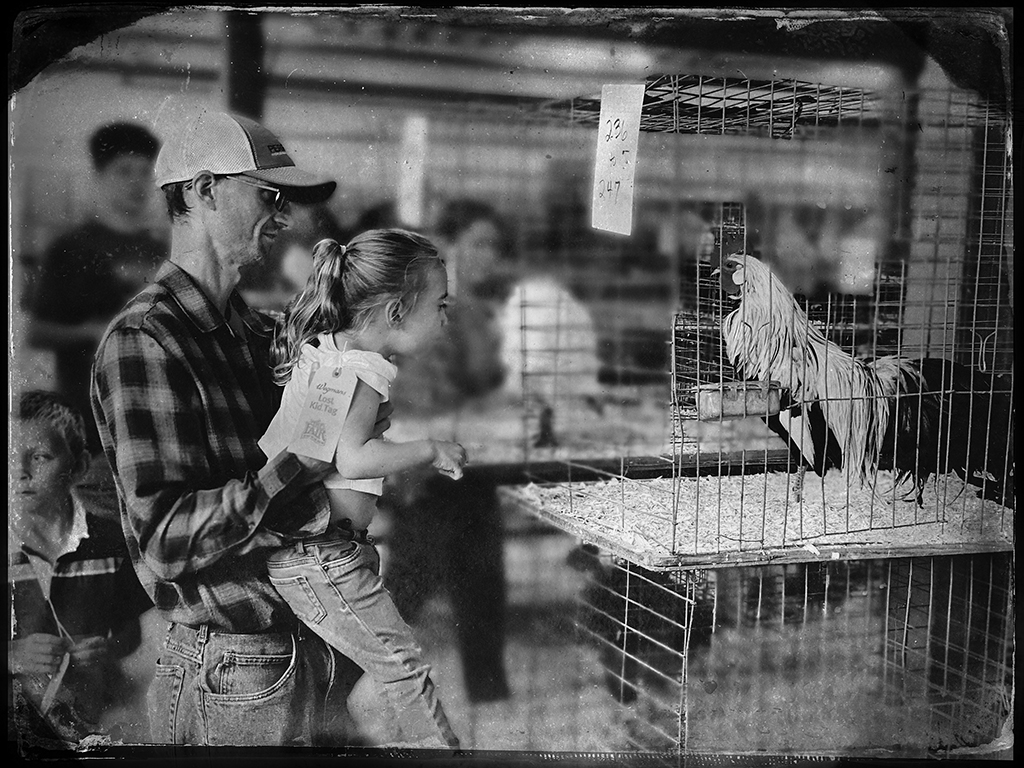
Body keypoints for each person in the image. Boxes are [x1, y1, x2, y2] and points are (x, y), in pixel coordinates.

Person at [90, 109, 392, 747]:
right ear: (202, 191)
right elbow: (166, 539)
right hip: (234, 667)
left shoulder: (258, 333)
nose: (284, 218)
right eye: (270, 196)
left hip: (307, 641)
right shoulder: (147, 340)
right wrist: (301, 461)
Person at [259, 230, 466, 748]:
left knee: (349, 675)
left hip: (318, 549)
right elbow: (351, 460)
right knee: (404, 668)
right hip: (325, 555)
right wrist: (428, 448)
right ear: (396, 312)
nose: (445, 318)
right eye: (439, 306)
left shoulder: (329, 352)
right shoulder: (363, 368)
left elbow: (318, 447)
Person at [383, 198, 514, 704]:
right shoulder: (424, 306)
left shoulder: (476, 311)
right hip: (417, 460)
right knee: (421, 570)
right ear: (451, 245)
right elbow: (415, 393)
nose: (490, 256)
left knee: (475, 559)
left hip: (460, 458)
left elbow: (487, 386)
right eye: (479, 243)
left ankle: (487, 690)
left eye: (496, 247)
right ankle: (351, 678)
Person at [9, 390, 153, 751]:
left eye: (40, 457)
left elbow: (133, 631)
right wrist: (10, 655)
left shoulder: (111, 541)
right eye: (10, 457)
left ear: (80, 465)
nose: (21, 473)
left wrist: (110, 648)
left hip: (97, 724)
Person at [28, 122, 166, 455]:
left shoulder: (159, 250)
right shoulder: (70, 248)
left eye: (145, 172)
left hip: (150, 414)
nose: (137, 182)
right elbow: (36, 332)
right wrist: (92, 331)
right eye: (124, 171)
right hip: (89, 415)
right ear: (100, 175)